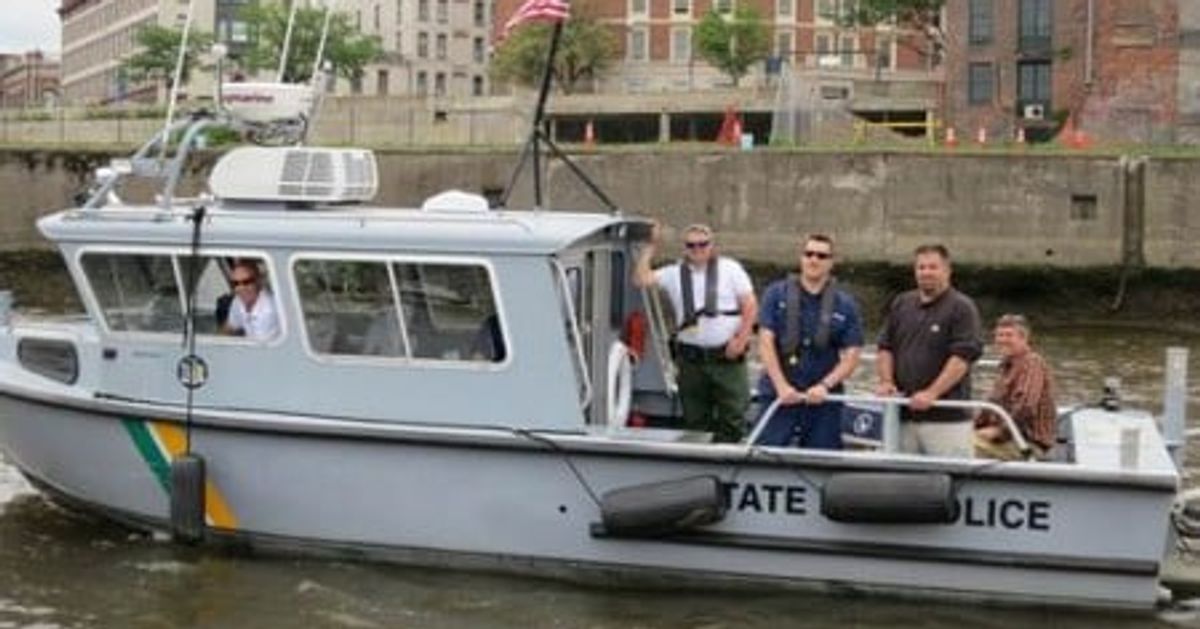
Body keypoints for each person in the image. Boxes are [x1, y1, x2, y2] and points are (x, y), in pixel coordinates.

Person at [634, 222, 757, 443]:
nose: (697, 249)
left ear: (712, 245)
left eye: (703, 244)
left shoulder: (731, 269)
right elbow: (641, 279)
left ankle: (729, 465)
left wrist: (741, 339)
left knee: (733, 416)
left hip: (726, 359)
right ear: (685, 248)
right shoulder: (673, 273)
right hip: (692, 361)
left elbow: (750, 305)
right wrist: (651, 246)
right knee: (695, 420)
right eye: (691, 245)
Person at [755, 234, 863, 449]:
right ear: (801, 258)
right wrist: (781, 386)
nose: (814, 260)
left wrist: (825, 386)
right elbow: (765, 342)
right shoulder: (775, 294)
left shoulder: (846, 305)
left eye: (822, 256)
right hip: (779, 395)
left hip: (823, 400)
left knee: (824, 456)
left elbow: (852, 355)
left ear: (831, 262)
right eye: (809, 254)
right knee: (766, 451)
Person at [876, 244, 983, 458]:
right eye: (921, 267)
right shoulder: (901, 303)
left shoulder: (962, 308)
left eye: (933, 267)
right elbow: (885, 347)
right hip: (902, 416)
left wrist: (932, 393)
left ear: (947, 270)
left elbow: (962, 358)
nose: (926, 272)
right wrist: (886, 382)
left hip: (946, 420)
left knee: (952, 481)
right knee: (899, 482)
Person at [974, 314, 1058, 460]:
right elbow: (991, 406)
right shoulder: (1007, 366)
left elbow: (1025, 407)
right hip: (1010, 438)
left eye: (1008, 335)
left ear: (1023, 338)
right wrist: (975, 426)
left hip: (1027, 443)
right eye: (999, 335)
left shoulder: (1032, 363)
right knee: (954, 437)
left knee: (959, 448)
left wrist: (999, 432)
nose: (1002, 340)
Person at [223, 261, 279, 341]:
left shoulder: (269, 309)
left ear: (258, 281)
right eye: (235, 283)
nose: (241, 288)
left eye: (247, 282)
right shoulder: (238, 301)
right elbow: (228, 328)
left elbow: (262, 349)